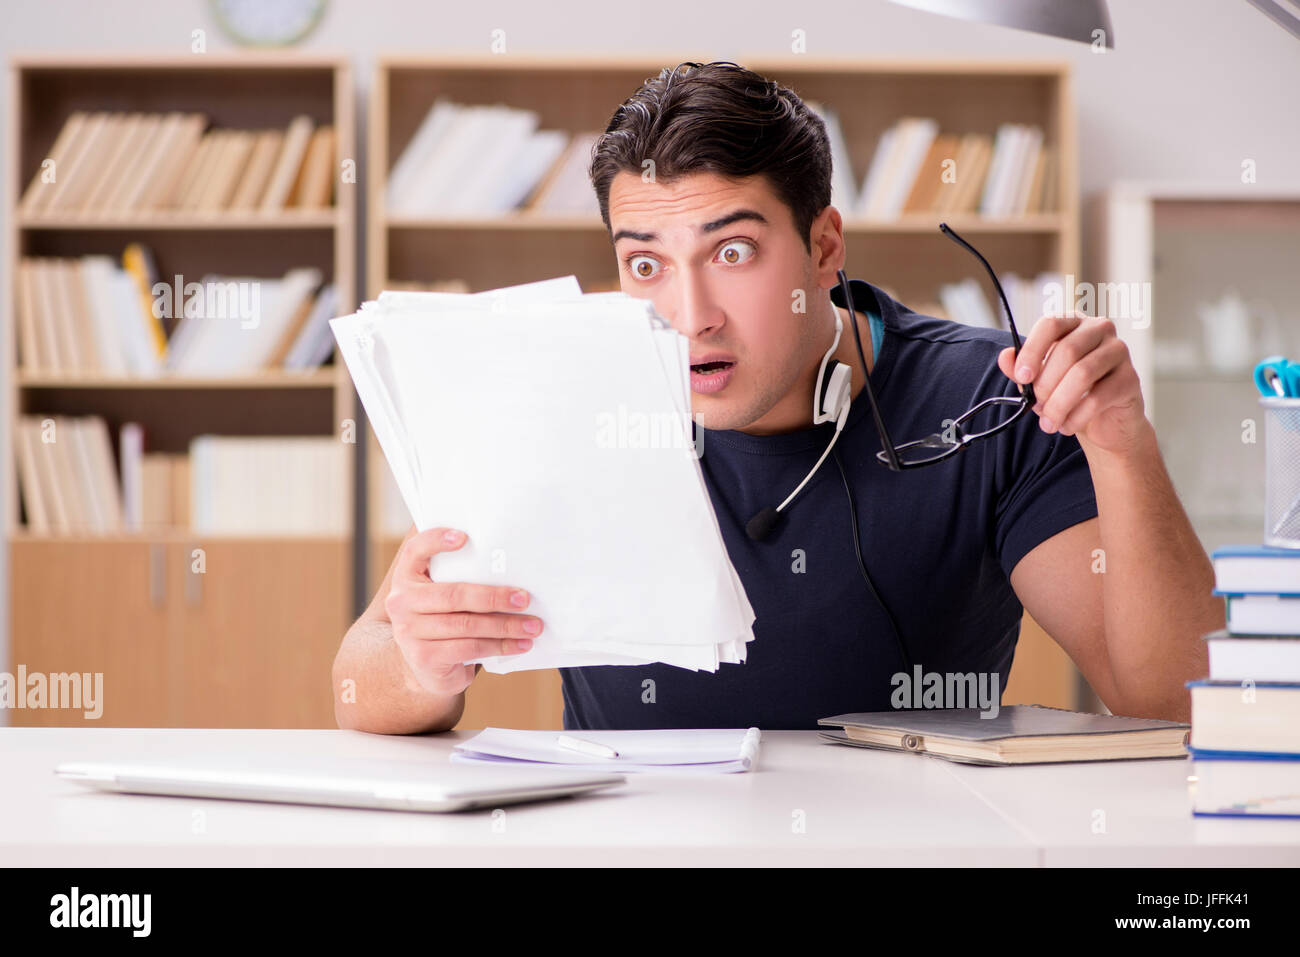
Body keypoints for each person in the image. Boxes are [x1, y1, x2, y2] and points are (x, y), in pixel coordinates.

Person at [332, 61, 1223, 734]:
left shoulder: (991, 398)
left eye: (731, 253)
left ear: (826, 246)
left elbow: (1169, 704)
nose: (687, 316)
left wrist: (1121, 442)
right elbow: (358, 686)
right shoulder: (564, 395)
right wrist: (422, 662)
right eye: (645, 265)